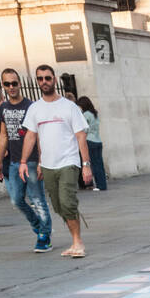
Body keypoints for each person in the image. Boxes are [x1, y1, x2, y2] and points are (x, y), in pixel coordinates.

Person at [18, 64, 93, 258]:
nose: (44, 82)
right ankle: (74, 240)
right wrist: (25, 161)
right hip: (48, 165)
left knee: (67, 202)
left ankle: (78, 242)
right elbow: (31, 137)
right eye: (40, 79)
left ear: (54, 79)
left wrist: (86, 165)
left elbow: (81, 136)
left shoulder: (69, 107)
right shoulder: (35, 108)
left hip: (68, 162)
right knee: (59, 206)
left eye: (48, 78)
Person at [0, 66, 53, 251]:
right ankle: (38, 225)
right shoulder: (3, 108)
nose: (11, 87)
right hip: (13, 162)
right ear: (3, 86)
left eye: (14, 83)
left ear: (20, 84)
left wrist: (42, 161)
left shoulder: (31, 106)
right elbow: (3, 135)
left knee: (37, 199)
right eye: (7, 84)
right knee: (16, 200)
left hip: (33, 160)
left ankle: (44, 236)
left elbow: (40, 135)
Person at [78, 96, 106, 191]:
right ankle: (102, 184)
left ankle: (97, 185)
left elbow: (84, 129)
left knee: (93, 164)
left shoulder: (85, 115)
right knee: (100, 164)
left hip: (90, 141)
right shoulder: (95, 114)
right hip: (98, 140)